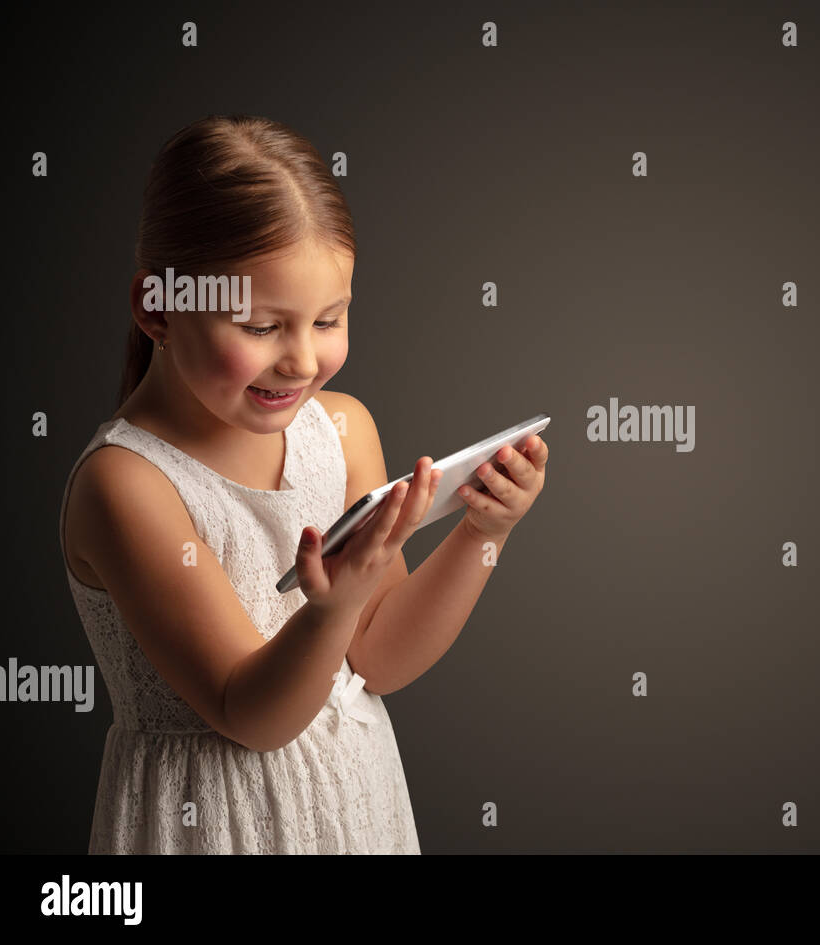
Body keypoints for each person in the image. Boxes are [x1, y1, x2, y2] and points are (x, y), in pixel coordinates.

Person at [57, 114, 549, 853]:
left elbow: (379, 657)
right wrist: (330, 610)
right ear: (158, 307)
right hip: (210, 822)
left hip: (355, 808)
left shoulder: (344, 430)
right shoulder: (127, 485)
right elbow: (251, 713)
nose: (301, 360)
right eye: (260, 327)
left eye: (328, 319)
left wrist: (482, 532)